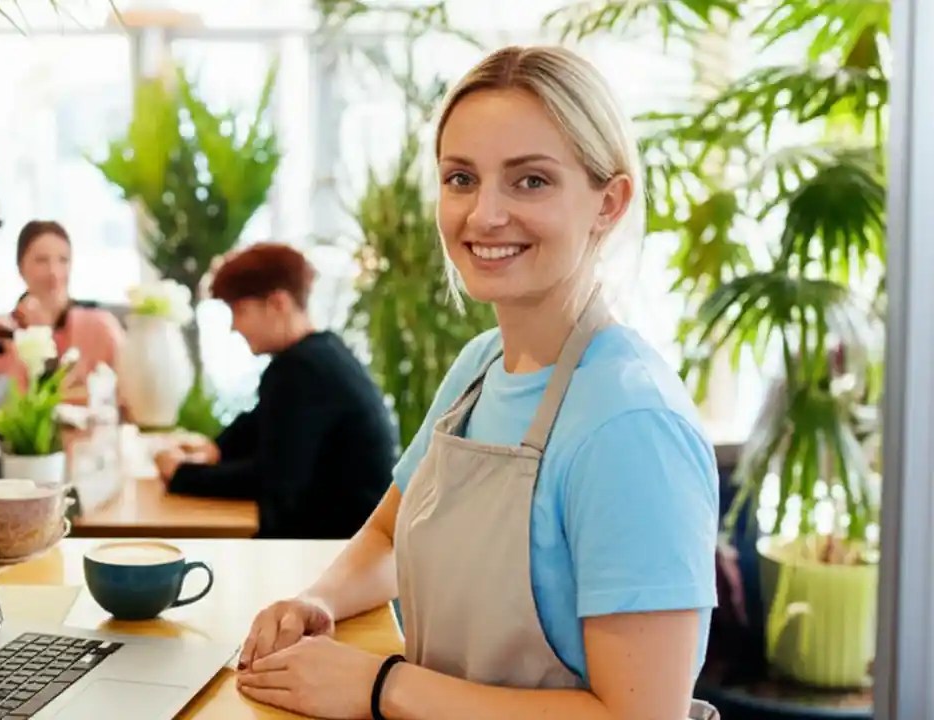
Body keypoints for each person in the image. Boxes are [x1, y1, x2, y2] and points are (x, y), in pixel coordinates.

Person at [232, 46, 721, 720]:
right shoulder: (481, 366)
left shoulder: (633, 427)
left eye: (530, 181)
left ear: (608, 203)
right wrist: (316, 601)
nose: (484, 214)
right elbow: (389, 537)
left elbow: (638, 717)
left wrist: (381, 687)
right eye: (461, 178)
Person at [153, 242, 398, 540]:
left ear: (278, 304)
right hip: (348, 541)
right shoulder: (322, 352)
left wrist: (180, 474)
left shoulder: (301, 369)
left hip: (329, 549)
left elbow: (274, 479)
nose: (234, 327)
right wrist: (215, 449)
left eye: (240, 310)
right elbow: (262, 421)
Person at [0, 220, 125, 401]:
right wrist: (38, 330)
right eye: (41, 261)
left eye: (63, 260)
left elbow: (129, 392)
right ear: (20, 267)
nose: (54, 272)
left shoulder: (100, 327)